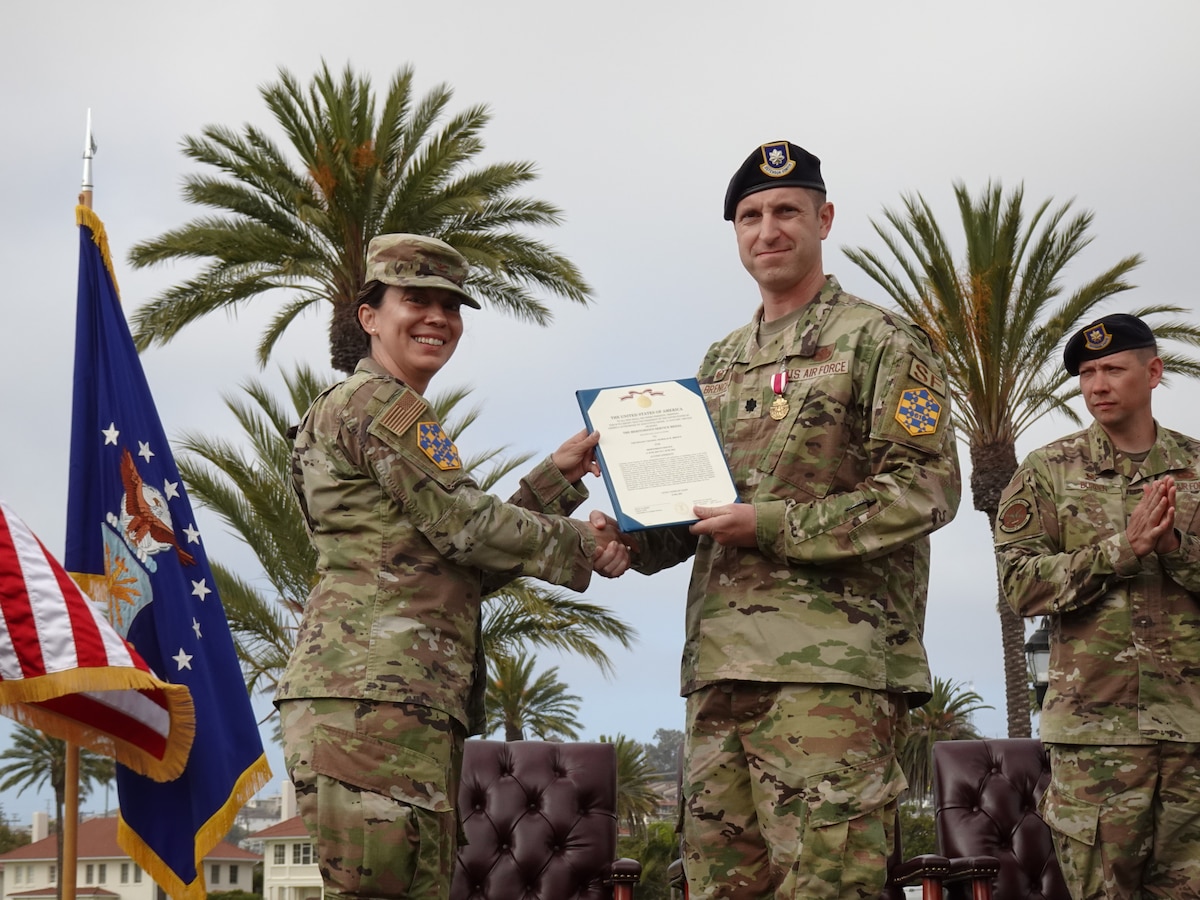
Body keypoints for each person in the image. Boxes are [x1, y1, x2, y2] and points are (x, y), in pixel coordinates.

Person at [609, 141, 961, 898]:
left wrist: (772, 525)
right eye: (750, 216)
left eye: (786, 212)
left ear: (824, 219)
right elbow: (697, 510)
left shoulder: (883, 342)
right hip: (717, 673)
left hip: (828, 673)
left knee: (828, 884)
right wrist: (628, 537)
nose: (767, 229)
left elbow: (926, 487)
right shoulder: (722, 359)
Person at [274, 233, 630, 900]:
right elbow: (466, 524)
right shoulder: (378, 404)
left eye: (451, 305)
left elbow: (457, 561)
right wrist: (582, 544)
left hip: (390, 702)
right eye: (417, 299)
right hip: (370, 703)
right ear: (370, 316)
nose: (438, 317)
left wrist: (552, 483)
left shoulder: (384, 410)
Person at [995, 313, 1200, 899]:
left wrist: (1176, 549)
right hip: (1096, 738)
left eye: (1112, 368)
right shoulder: (1048, 472)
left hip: (1191, 733)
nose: (1097, 386)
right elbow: (1020, 585)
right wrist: (1122, 550)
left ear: (1154, 372)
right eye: (1086, 373)